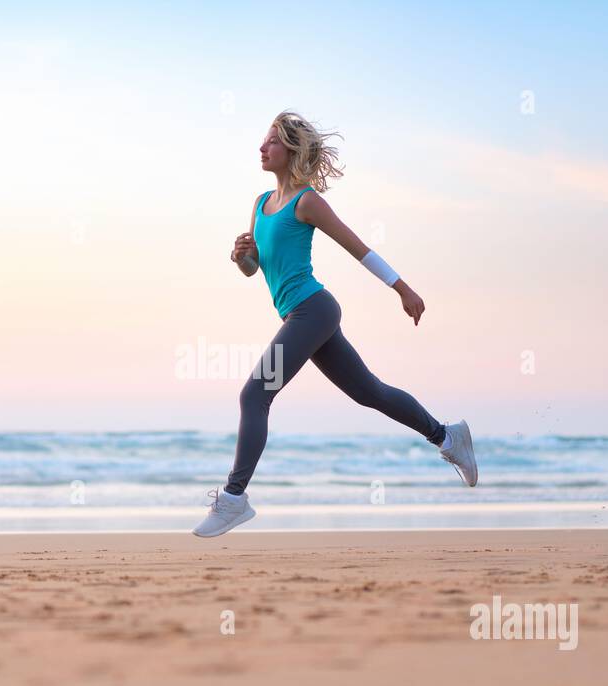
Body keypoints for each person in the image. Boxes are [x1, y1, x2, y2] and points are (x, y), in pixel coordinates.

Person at [193, 111, 478, 538]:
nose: (261, 148)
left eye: (271, 141)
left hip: (315, 310)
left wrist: (402, 289)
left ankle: (234, 498)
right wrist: (241, 257)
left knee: (255, 393)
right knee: (370, 392)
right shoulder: (260, 204)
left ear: (291, 150)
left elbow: (358, 249)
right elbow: (257, 269)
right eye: (263, 140)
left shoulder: (306, 202)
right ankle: (447, 436)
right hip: (299, 314)